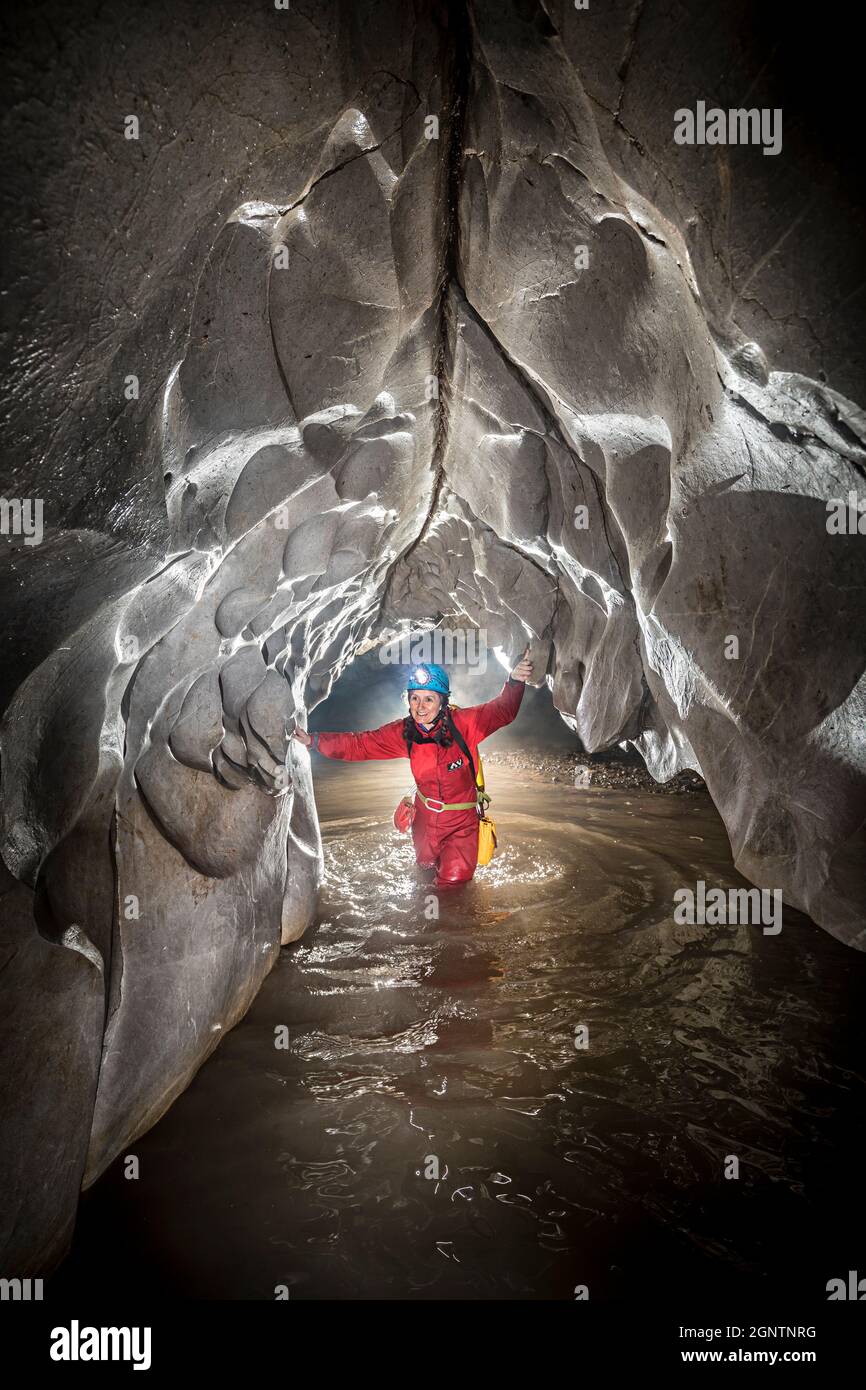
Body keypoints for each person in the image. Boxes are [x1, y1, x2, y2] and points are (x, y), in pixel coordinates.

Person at [292, 649, 534, 887]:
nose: (420, 706)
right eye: (414, 698)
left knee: (453, 886)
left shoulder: (464, 724)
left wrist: (514, 681)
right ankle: (424, 918)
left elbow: (502, 711)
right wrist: (314, 740)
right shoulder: (404, 733)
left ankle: (450, 924)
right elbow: (360, 745)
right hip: (424, 820)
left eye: (429, 698)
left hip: (460, 821)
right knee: (424, 874)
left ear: (442, 701)